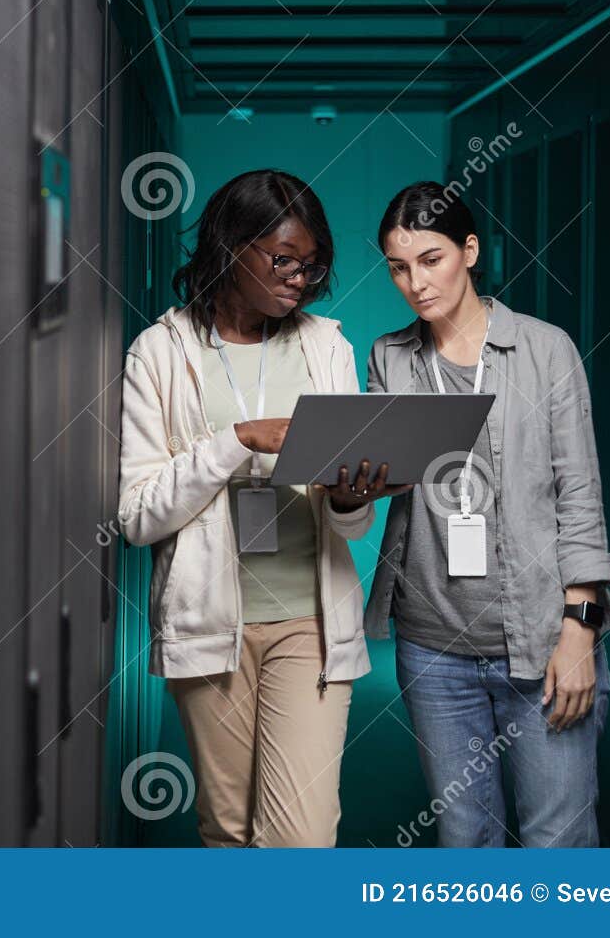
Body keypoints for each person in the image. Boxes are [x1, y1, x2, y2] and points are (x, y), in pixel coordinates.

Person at [117, 169, 394, 847]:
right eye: (283, 260)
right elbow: (138, 515)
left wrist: (354, 496)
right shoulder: (160, 351)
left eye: (311, 264)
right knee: (230, 827)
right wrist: (239, 440)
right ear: (230, 247)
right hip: (210, 626)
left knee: (300, 837)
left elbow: (348, 518)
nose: (300, 277)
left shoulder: (325, 344)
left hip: (311, 621)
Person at [365, 181, 610, 847]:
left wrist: (580, 631)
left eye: (431, 258)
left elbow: (581, 498)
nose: (415, 282)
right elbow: (382, 486)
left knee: (556, 841)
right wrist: (347, 484)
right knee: (465, 841)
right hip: (433, 648)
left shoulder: (545, 350)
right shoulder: (389, 358)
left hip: (543, 641)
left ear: (469, 250)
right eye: (398, 266)